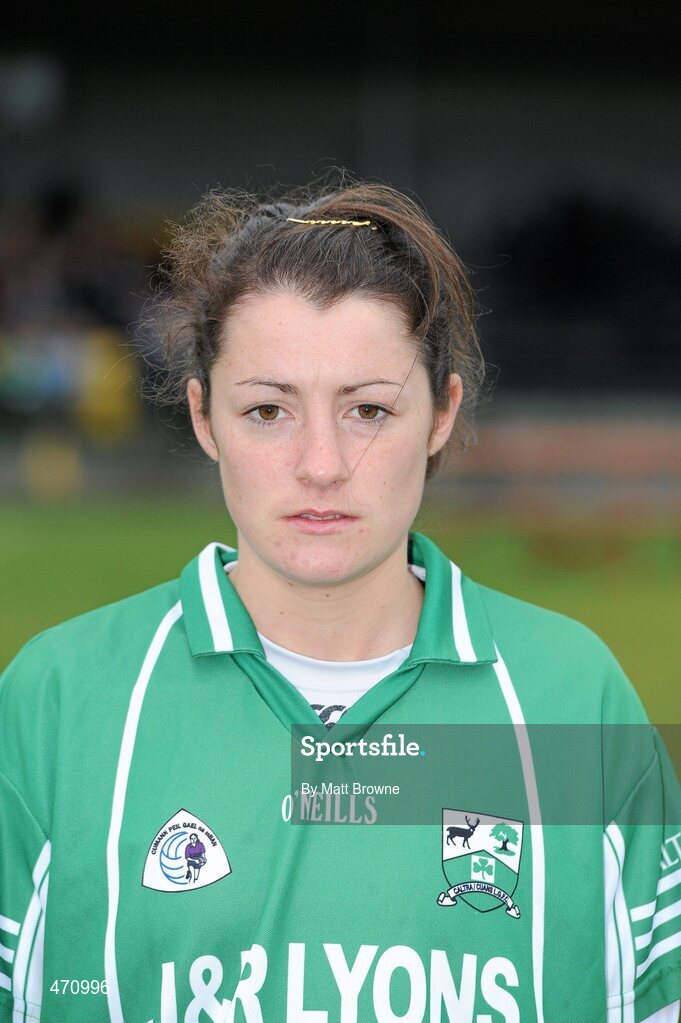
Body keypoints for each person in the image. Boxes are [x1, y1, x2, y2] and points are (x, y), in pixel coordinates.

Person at [0, 180, 679, 1023]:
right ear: (205, 418)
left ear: (441, 414)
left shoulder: (572, 699)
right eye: (267, 410)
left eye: (367, 410)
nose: (321, 464)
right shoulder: (59, 704)